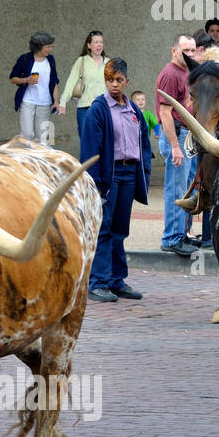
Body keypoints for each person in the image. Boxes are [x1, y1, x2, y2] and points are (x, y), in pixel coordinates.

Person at [81, 58, 151, 302]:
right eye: (110, 80)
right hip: (108, 178)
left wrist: (146, 173)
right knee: (104, 229)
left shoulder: (134, 110)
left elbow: (144, 143)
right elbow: (90, 150)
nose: (114, 84)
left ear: (127, 81)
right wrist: (95, 187)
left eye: (119, 80)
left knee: (120, 229)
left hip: (129, 174)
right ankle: (98, 282)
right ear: (105, 81)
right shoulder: (98, 109)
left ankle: (116, 280)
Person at [156, 33, 202, 257]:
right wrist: (175, 146)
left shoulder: (187, 72)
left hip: (187, 136)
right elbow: (165, 114)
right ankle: (171, 238)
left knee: (186, 188)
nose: (190, 54)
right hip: (176, 135)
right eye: (186, 50)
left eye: (193, 50)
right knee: (176, 188)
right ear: (174, 51)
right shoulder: (170, 74)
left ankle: (181, 235)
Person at [9, 31, 63, 144]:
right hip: (28, 101)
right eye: (48, 46)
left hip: (44, 102)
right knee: (27, 134)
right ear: (38, 47)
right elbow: (12, 78)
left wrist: (56, 101)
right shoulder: (24, 59)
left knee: (42, 137)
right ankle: (25, 159)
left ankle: (41, 160)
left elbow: (54, 82)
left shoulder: (50, 60)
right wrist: (25, 80)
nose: (50, 49)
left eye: (51, 46)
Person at [59, 29, 108, 138]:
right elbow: (70, 83)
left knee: (104, 141)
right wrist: (63, 102)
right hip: (85, 108)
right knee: (86, 141)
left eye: (101, 42)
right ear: (89, 45)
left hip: (104, 108)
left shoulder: (109, 63)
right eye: (96, 42)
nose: (99, 45)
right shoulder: (82, 61)